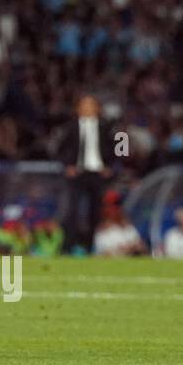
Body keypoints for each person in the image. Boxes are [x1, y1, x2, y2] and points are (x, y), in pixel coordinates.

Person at [60, 94, 114, 254]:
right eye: (84, 105)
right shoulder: (69, 127)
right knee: (72, 211)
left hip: (97, 173)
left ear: (98, 109)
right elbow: (58, 148)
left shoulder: (108, 127)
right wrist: (67, 165)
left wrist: (111, 165)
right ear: (77, 109)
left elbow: (121, 144)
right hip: (77, 173)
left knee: (95, 212)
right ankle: (68, 247)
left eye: (91, 105)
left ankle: (90, 247)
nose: (87, 108)